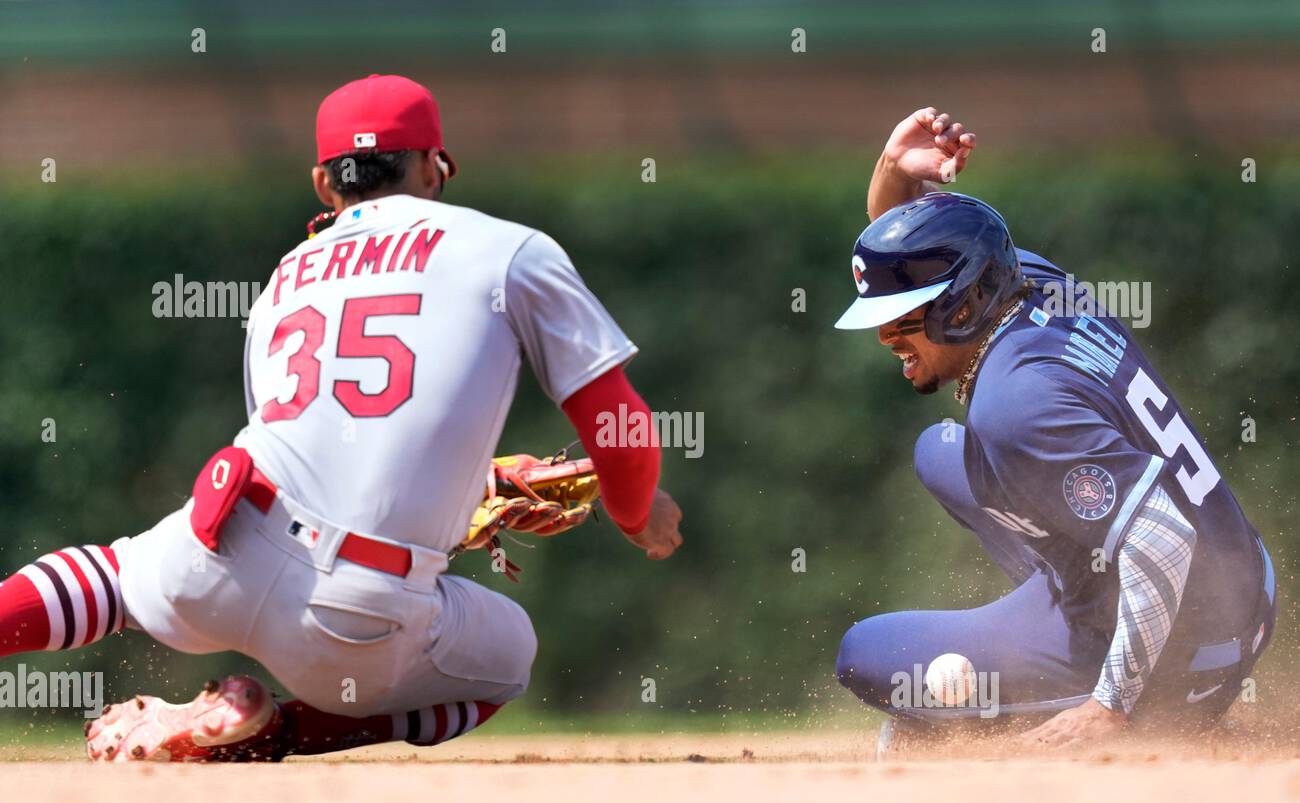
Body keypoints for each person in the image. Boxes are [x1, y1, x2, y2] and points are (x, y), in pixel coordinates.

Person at [0, 74, 682, 761]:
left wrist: (468, 493)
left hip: (218, 544)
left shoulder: (281, 280)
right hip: (350, 622)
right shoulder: (510, 250)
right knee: (508, 655)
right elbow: (616, 420)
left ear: (324, 184)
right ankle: (272, 730)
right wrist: (634, 511)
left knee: (116, 576)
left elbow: (316, 458)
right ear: (434, 165)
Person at [833, 108, 1274, 752]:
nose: (885, 335)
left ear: (963, 303)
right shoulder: (1028, 284)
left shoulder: (1019, 403)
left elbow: (1163, 539)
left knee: (868, 655)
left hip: (1192, 644)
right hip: (1238, 575)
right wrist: (895, 172)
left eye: (902, 320)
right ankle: (1079, 606)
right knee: (941, 452)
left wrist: (1112, 710)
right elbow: (910, 248)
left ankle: (1120, 687)